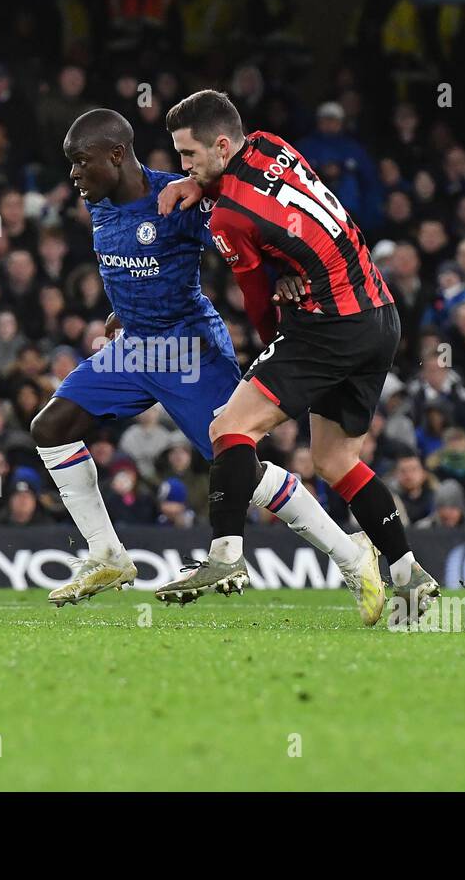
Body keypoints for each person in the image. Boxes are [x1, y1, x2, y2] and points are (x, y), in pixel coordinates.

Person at [32, 109, 383, 620]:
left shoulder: (178, 199)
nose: (74, 175)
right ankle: (106, 554)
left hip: (186, 350)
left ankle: (354, 558)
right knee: (52, 427)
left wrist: (285, 276)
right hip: (135, 348)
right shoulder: (100, 204)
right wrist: (124, 308)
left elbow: (250, 228)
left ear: (116, 155)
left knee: (244, 470)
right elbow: (132, 263)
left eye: (81, 162)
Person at [155, 90, 440, 625]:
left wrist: (272, 347)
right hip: (379, 315)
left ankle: (226, 557)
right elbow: (275, 208)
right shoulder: (270, 144)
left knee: (230, 427)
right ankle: (408, 574)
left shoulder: (229, 219)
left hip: (329, 326)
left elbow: (256, 295)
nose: (183, 165)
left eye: (189, 156)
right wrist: (197, 182)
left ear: (220, 145)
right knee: (335, 462)